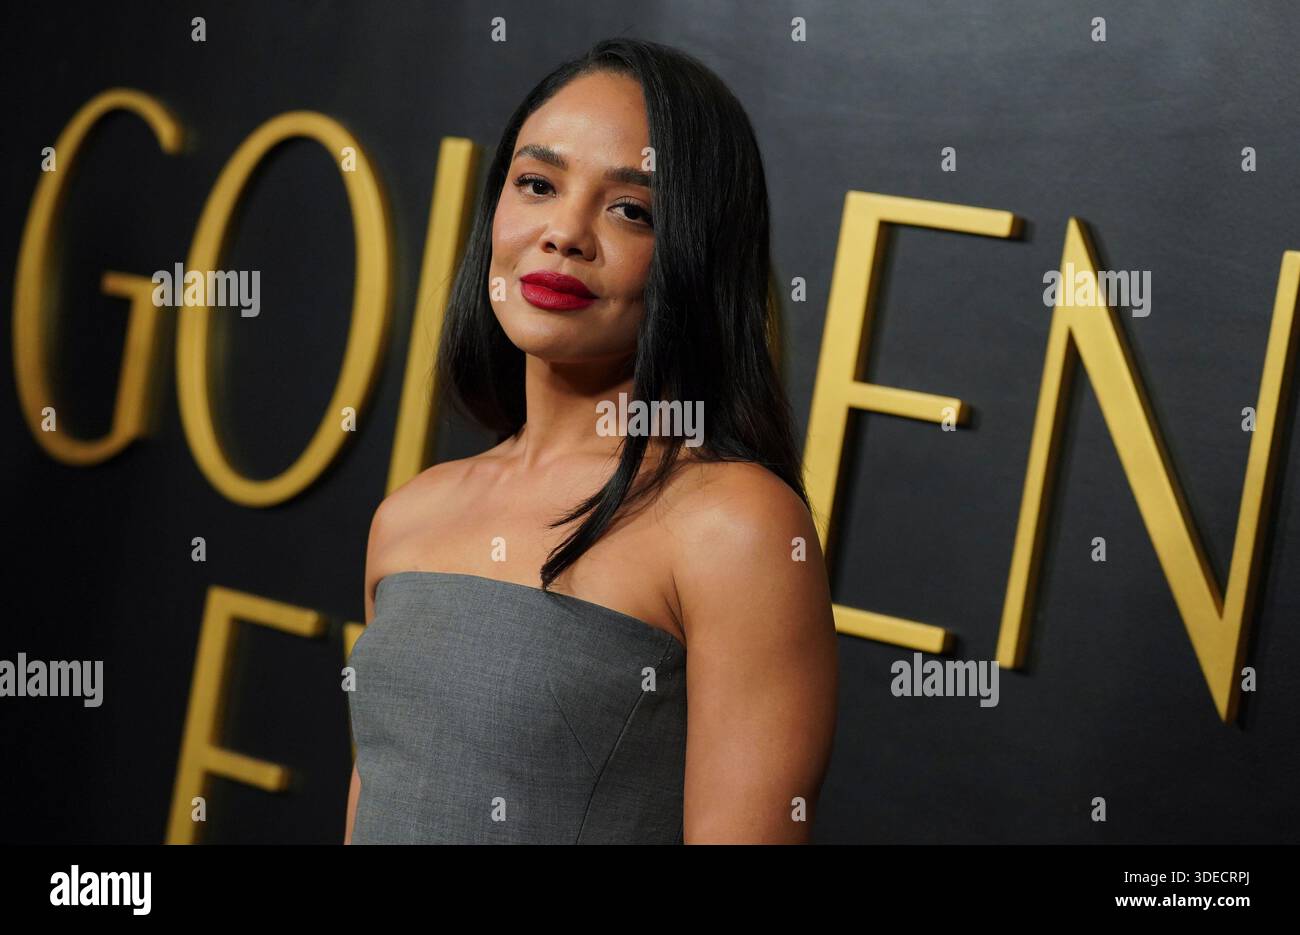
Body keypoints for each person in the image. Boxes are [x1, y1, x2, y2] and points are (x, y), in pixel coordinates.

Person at [344, 37, 838, 844]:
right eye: (537, 183)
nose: (565, 233)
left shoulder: (735, 523)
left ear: (696, 256)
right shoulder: (410, 515)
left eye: (631, 209)